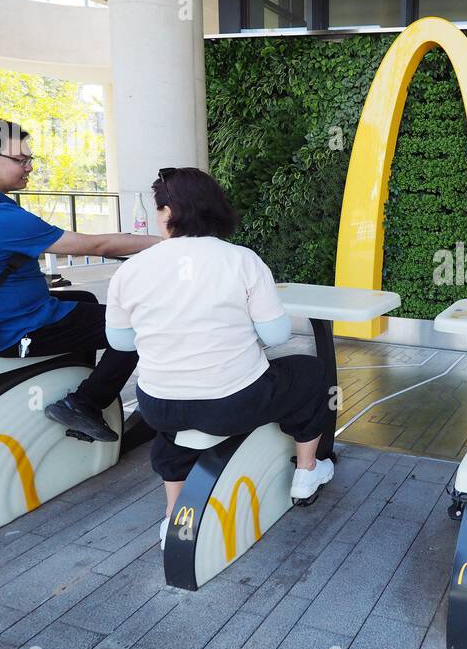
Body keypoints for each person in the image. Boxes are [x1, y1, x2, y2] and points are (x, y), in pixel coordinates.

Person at [103, 167, 333, 548]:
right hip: (233, 404)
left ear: (166, 213)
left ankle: (173, 517)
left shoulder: (133, 270)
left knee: (171, 434)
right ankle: (307, 472)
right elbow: (277, 335)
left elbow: (121, 342)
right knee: (310, 371)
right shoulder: (241, 260)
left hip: (158, 405)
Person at [0, 116, 158, 440]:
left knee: (84, 300)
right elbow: (96, 245)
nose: (29, 166)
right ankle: (84, 402)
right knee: (140, 324)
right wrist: (170, 243)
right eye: (21, 159)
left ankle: (73, 386)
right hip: (13, 331)